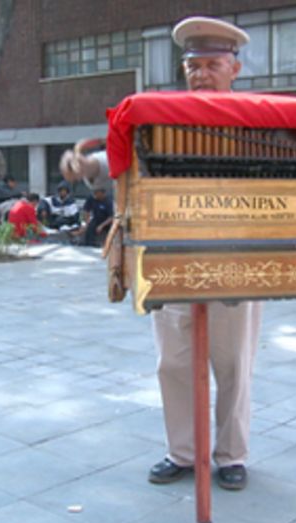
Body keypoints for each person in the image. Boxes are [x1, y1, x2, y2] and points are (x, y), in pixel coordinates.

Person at [60, 16, 261, 491]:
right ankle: (184, 452)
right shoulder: (162, 116)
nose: (201, 74)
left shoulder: (259, 119)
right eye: (193, 65)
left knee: (233, 363)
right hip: (169, 257)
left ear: (235, 68)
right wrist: (90, 165)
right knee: (173, 362)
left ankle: (232, 454)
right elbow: (129, 153)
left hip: (236, 261)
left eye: (212, 64)